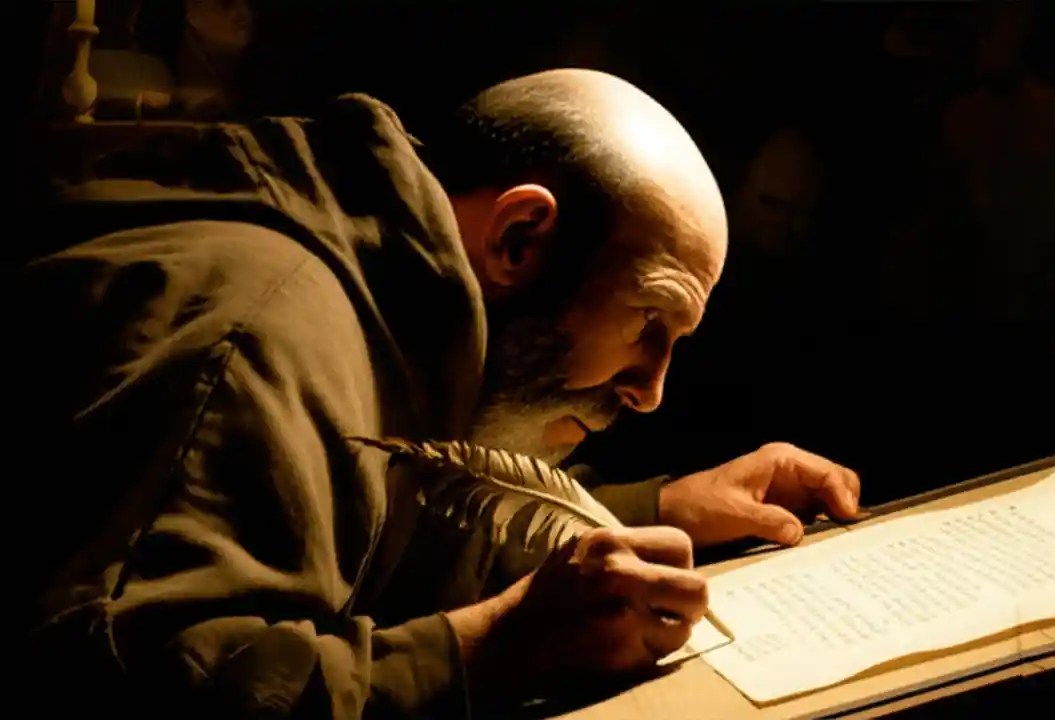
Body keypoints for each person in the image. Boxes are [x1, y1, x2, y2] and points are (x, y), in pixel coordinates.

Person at [16, 69, 862, 717]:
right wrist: (492, 648)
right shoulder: (259, 335)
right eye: (649, 320)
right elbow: (125, 687)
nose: (650, 390)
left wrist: (664, 507)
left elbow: (378, 538)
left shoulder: (391, 316)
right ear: (521, 239)